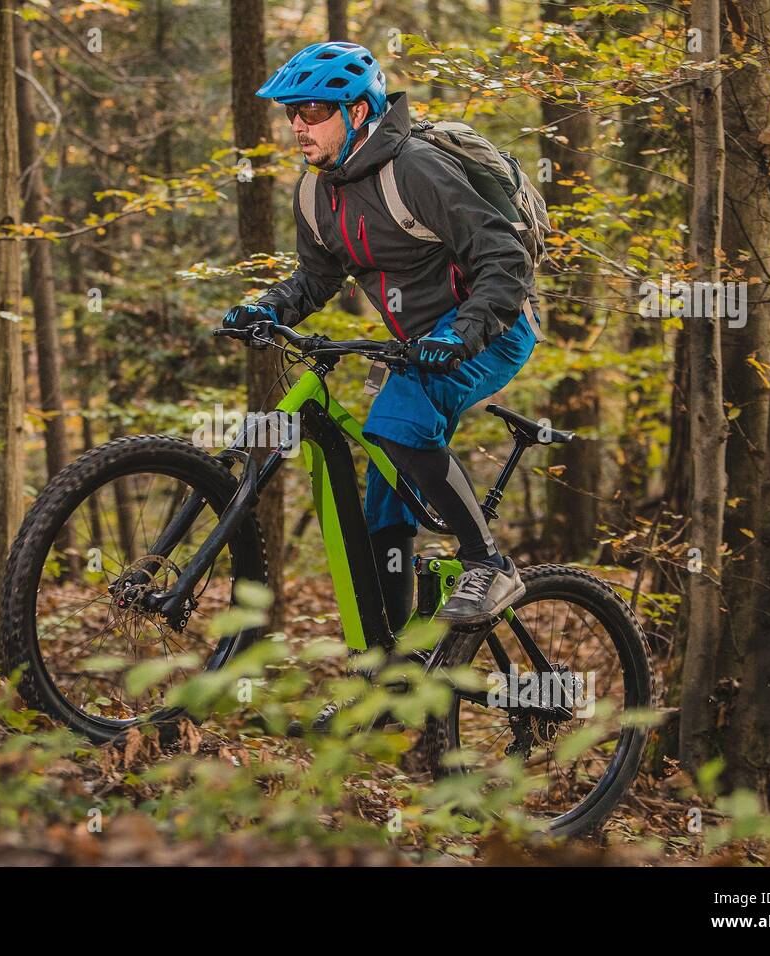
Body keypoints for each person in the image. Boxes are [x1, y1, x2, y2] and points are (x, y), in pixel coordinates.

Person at [223, 41, 541, 630]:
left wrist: (466, 332)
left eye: (314, 111)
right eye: (291, 113)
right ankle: (388, 673)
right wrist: (267, 308)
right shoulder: (316, 193)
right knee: (384, 496)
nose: (298, 125)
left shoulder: (416, 170)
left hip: (493, 326)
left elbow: (504, 260)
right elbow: (315, 280)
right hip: (416, 346)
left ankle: (487, 563)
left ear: (359, 112)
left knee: (396, 421)